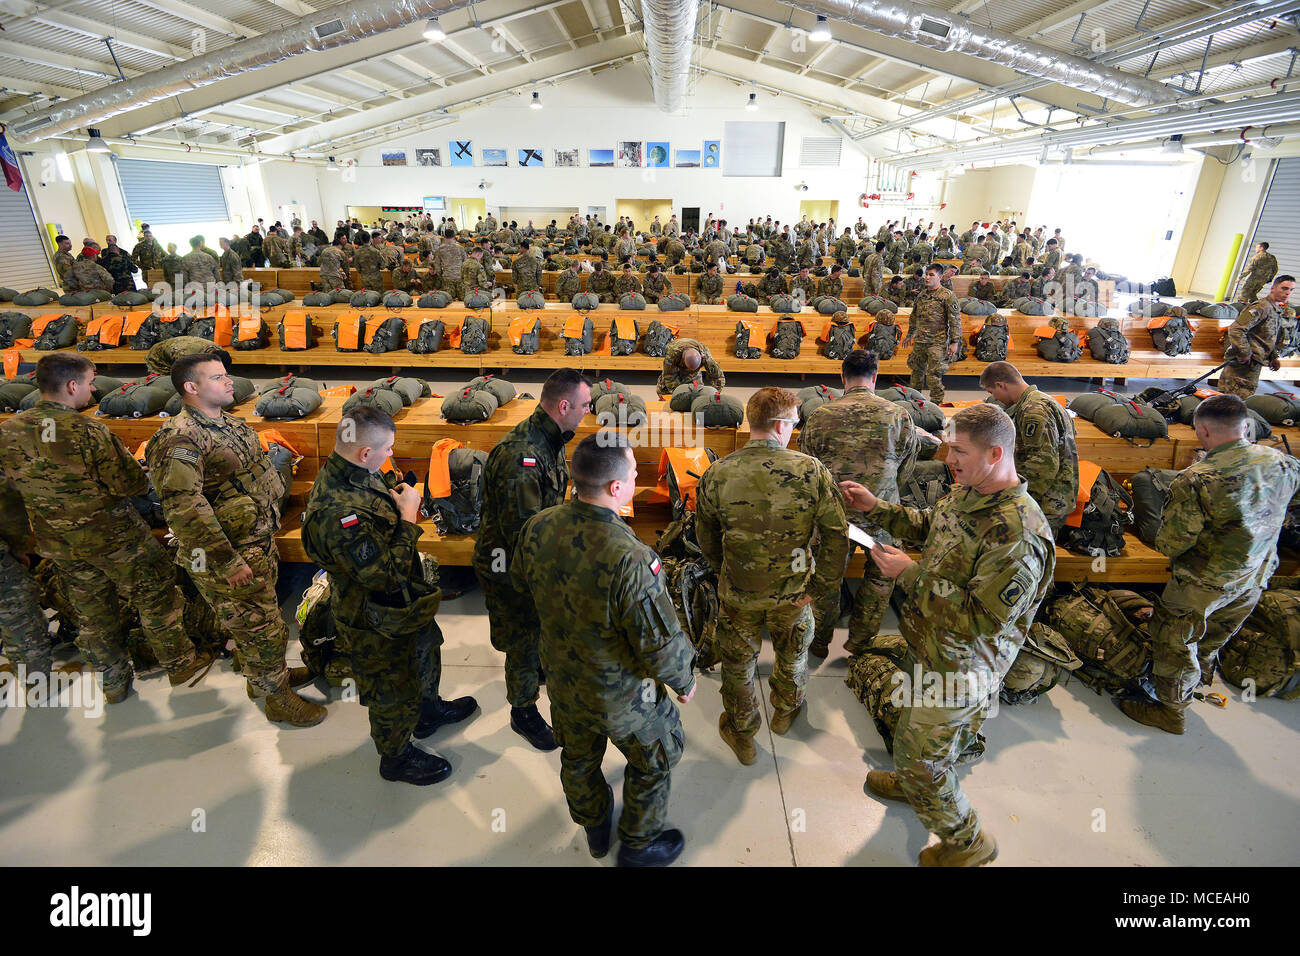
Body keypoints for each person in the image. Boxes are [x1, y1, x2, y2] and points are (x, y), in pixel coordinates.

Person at [844, 404, 1054, 867]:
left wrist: (909, 574)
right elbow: (930, 525)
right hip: (932, 642)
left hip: (963, 665)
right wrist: (876, 507)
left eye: (959, 451)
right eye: (947, 448)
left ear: (995, 453)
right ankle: (912, 780)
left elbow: (984, 619)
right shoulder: (968, 491)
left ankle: (967, 844)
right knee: (917, 732)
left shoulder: (1018, 533)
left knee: (923, 759)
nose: (948, 459)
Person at [512, 434, 696, 866]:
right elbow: (659, 642)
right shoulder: (632, 558)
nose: (636, 477)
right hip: (625, 696)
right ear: (617, 488)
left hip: (564, 682)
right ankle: (639, 846)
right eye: (633, 473)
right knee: (655, 758)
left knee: (578, 759)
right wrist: (684, 681)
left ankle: (595, 830)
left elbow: (520, 585)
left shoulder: (537, 526)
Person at [0, 354, 211, 702]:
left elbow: (7, 496)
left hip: (59, 543)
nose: (94, 389)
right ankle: (180, 664)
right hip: (115, 537)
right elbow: (129, 483)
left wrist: (18, 543)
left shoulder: (8, 432)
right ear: (72, 386)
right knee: (156, 596)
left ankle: (112, 682)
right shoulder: (88, 431)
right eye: (90, 382)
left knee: (92, 613)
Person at [302, 406, 477, 784]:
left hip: (402, 604)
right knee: (391, 687)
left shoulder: (356, 470)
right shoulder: (338, 511)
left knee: (424, 651)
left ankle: (427, 713)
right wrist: (409, 517)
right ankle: (396, 757)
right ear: (365, 452)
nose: (391, 455)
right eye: (387, 449)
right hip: (373, 615)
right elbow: (384, 576)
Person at [147, 353, 323, 725]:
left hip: (253, 539)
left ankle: (265, 679)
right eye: (217, 377)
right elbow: (183, 507)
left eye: (226, 375)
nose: (229, 381)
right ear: (191, 387)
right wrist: (227, 562)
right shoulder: (180, 438)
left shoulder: (226, 422)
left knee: (261, 620)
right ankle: (277, 698)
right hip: (228, 553)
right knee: (260, 626)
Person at [1118, 394, 1300, 735]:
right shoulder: (1282, 462)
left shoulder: (1197, 479)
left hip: (1203, 584)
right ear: (1245, 426)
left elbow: (1171, 543)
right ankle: (1197, 678)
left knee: (1175, 642)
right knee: (1213, 636)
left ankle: (1171, 710)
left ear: (1202, 431)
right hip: (1256, 574)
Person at [696, 387, 849, 763]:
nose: (793, 431)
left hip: (739, 592)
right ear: (780, 425)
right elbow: (836, 535)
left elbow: (706, 535)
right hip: (794, 592)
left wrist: (724, 571)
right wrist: (820, 587)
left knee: (738, 664)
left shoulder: (718, 473)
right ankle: (785, 711)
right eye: (793, 424)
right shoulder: (811, 471)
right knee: (793, 655)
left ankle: (742, 733)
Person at [472, 370, 591, 751]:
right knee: (522, 639)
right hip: (509, 566)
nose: (587, 412)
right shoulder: (521, 454)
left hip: (531, 556)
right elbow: (522, 534)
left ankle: (535, 666)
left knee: (535, 631)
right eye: (585, 406)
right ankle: (522, 710)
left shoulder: (550, 438)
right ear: (564, 406)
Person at [799, 349, 932, 658]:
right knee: (879, 582)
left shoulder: (820, 415)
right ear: (875, 377)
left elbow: (809, 467)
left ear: (842, 377)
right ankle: (861, 644)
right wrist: (884, 491)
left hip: (834, 516)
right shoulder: (899, 415)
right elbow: (907, 466)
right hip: (881, 512)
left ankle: (819, 642)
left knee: (826, 581)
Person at [979, 362, 1079, 534]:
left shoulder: (1034, 410)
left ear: (1001, 385)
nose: (995, 398)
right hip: (1049, 497)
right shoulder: (1039, 401)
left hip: (1045, 502)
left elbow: (1042, 465)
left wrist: (1013, 499)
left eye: (992, 392)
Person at [1218, 275, 1295, 398]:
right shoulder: (1260, 307)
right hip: (1242, 364)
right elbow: (1236, 329)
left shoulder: (1275, 310)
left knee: (1239, 401)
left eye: (1291, 290)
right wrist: (1244, 353)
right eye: (1284, 288)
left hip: (1254, 363)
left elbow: (1267, 337)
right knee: (1231, 401)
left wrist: (1273, 357)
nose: (1288, 293)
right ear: (1273, 288)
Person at [904, 265, 962, 403]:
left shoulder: (947, 296)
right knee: (916, 373)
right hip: (920, 341)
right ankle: (915, 402)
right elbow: (914, 317)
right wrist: (910, 334)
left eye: (931, 275)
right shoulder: (922, 295)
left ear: (940, 277)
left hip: (937, 342)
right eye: (927, 274)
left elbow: (955, 320)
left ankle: (936, 404)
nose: (927, 277)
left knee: (933, 376)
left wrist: (955, 342)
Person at [656, 338, 724, 393]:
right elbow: (669, 375)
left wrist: (716, 392)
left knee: (697, 391)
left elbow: (718, 376)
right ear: (683, 359)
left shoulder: (705, 355)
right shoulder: (672, 355)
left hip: (694, 374)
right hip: (676, 367)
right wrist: (677, 393)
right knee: (664, 391)